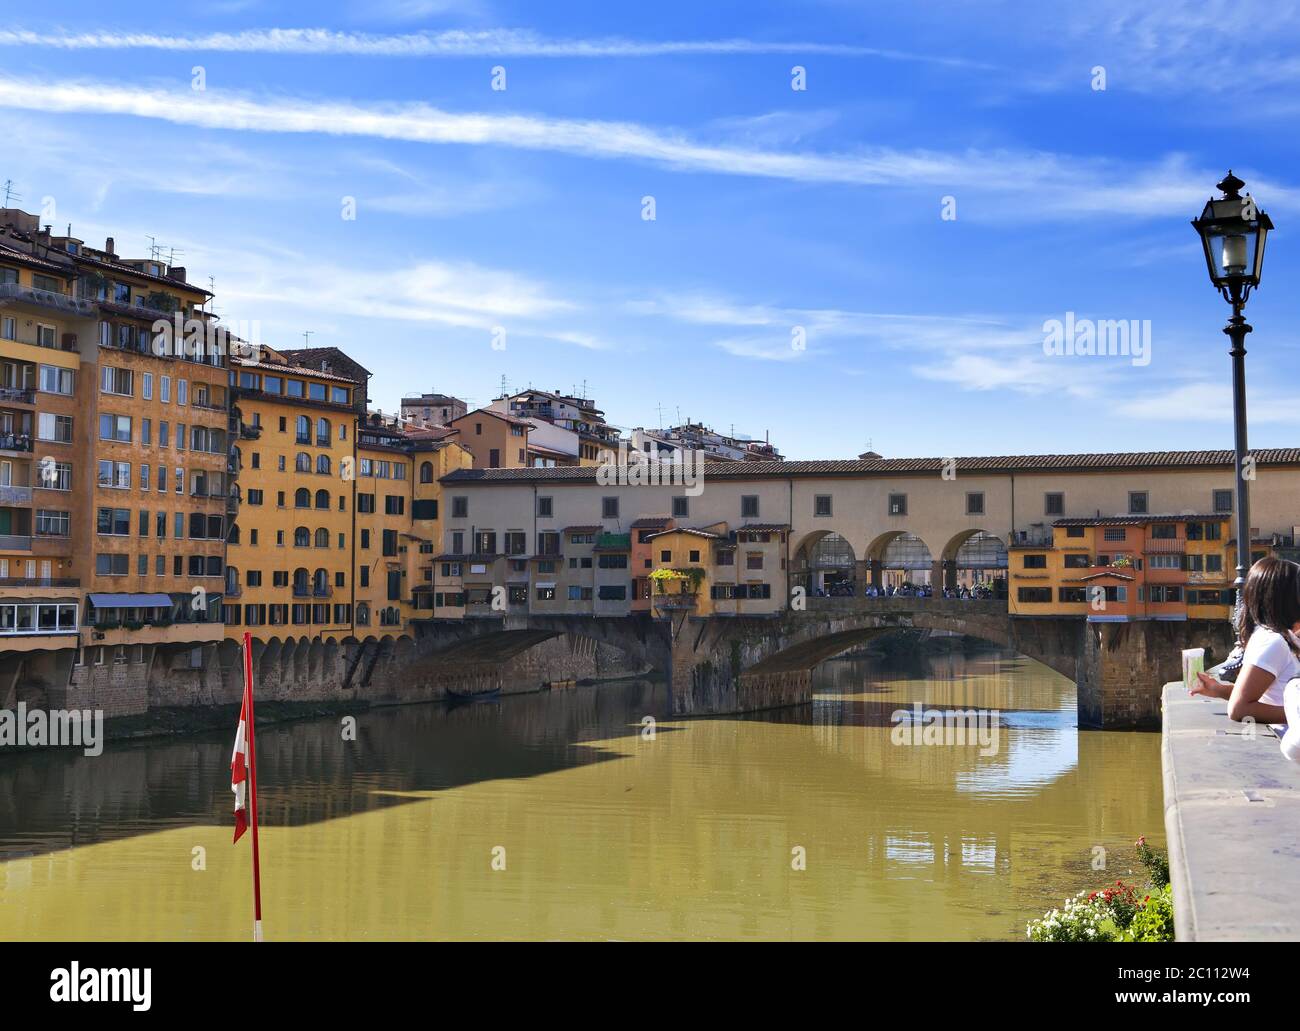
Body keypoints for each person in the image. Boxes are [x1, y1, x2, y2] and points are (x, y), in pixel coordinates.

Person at [1191, 556, 1300, 725]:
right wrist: (1297, 715)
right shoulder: (1274, 642)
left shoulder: (1273, 637)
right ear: (1287, 598)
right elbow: (1239, 708)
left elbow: (1267, 696)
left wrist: (1219, 690)